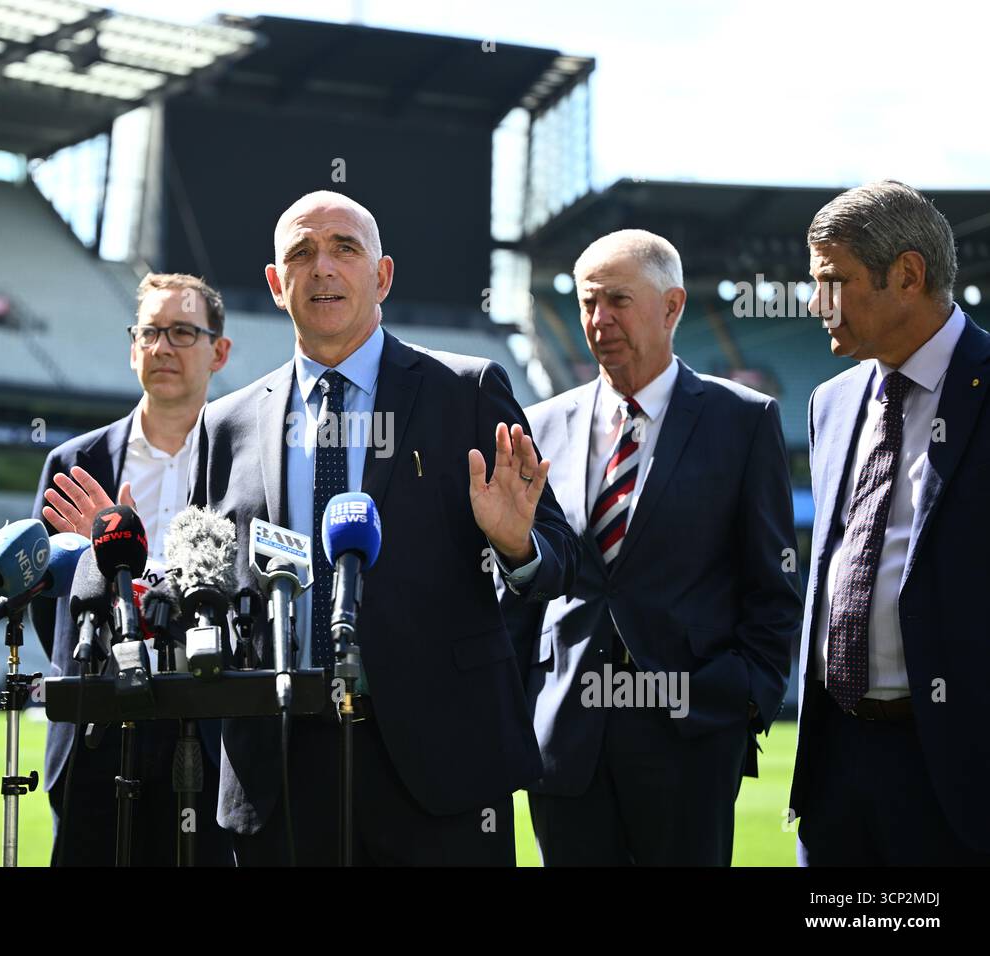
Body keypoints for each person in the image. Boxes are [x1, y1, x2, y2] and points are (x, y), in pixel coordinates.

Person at [186, 190, 579, 865]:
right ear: (278, 286)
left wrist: (515, 542)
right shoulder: (226, 425)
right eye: (301, 254)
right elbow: (204, 576)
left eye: (345, 248)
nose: (324, 268)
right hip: (279, 767)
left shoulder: (466, 391)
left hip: (439, 770)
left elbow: (559, 558)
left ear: (383, 275)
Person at [501, 230, 800, 865]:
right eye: (587, 303)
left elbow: (772, 587)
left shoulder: (743, 422)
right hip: (566, 746)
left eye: (617, 300)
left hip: (690, 746)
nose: (598, 320)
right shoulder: (541, 424)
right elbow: (525, 589)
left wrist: (744, 695)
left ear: (672, 307)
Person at [791, 181, 990, 864]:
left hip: (957, 772)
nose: (817, 304)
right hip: (834, 759)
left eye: (834, 281)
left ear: (908, 274)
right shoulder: (831, 402)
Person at [33, 272, 233, 866]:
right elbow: (52, 612)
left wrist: (124, 561)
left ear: (219, 351)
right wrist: (102, 569)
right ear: (131, 347)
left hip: (209, 726)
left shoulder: (246, 459)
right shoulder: (74, 462)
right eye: (149, 332)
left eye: (181, 332)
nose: (162, 347)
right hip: (96, 724)